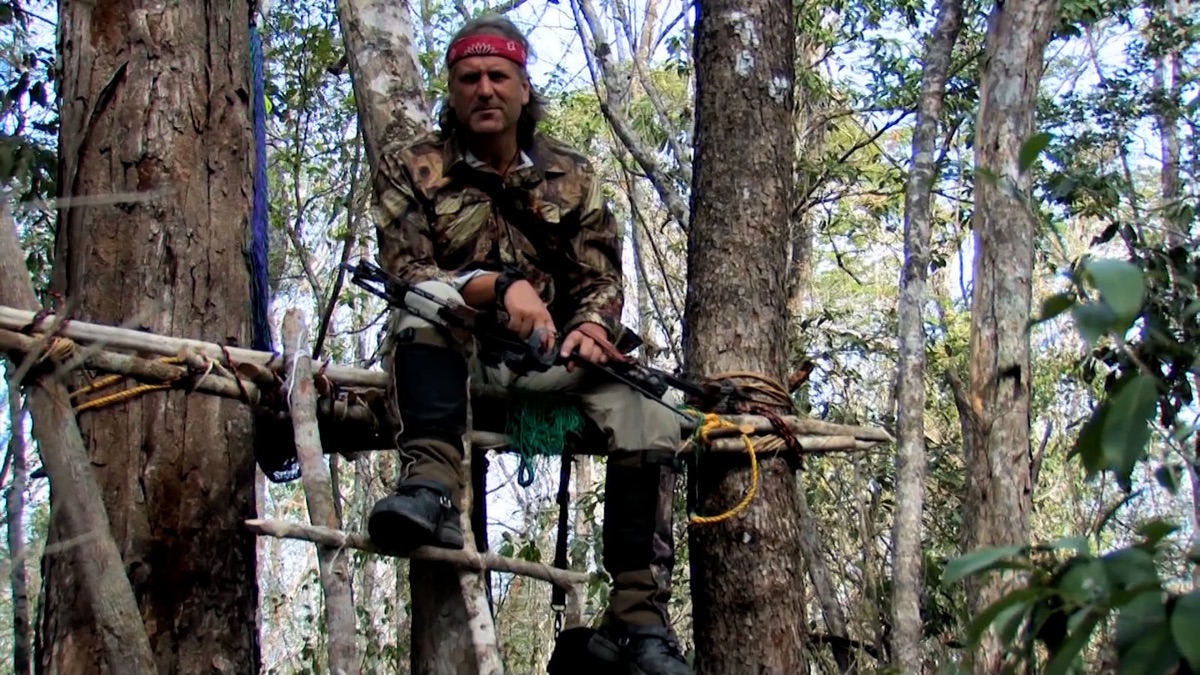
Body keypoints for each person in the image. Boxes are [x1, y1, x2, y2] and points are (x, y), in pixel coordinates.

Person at [365, 14, 693, 675]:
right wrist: (497, 286)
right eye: (469, 78)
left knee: (652, 411)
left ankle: (637, 616)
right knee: (421, 312)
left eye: (498, 76)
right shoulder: (414, 168)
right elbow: (406, 272)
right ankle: (428, 486)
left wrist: (592, 330)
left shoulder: (571, 174)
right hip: (449, 356)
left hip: (546, 369)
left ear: (522, 87)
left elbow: (601, 275)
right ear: (452, 90)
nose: (485, 89)